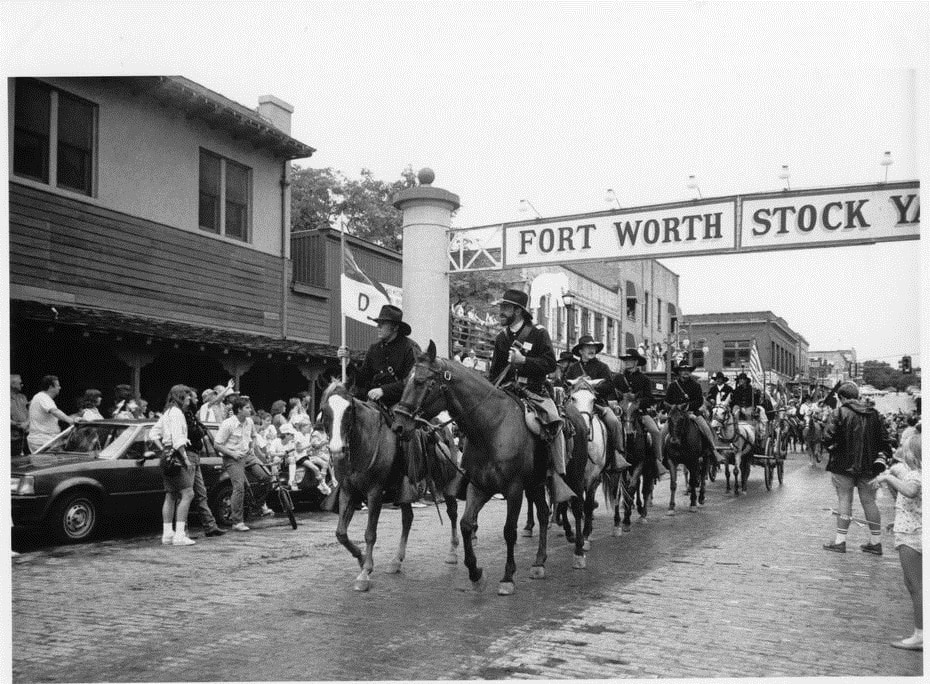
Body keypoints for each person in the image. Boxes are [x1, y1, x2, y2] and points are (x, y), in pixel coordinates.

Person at [487, 288, 571, 503]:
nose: (501, 311)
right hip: (507, 392)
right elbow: (494, 372)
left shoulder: (538, 333)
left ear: (518, 310)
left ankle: (558, 475)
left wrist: (524, 362)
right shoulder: (501, 338)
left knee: (554, 424)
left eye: (505, 308)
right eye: (501, 307)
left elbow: (551, 364)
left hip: (534, 392)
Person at [337, 303, 421, 503]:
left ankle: (406, 483)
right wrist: (348, 365)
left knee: (404, 434)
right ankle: (346, 481)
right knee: (348, 426)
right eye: (378, 324)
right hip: (373, 403)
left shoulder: (410, 349)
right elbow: (363, 379)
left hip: (401, 404)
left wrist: (384, 390)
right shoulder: (374, 349)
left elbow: (412, 383)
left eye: (382, 324)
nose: (378, 327)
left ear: (395, 328)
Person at [822, 381, 892, 554]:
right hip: (869, 466)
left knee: (844, 499)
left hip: (842, 465)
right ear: (857, 396)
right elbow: (885, 441)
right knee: (869, 501)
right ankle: (875, 542)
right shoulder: (874, 414)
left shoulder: (838, 413)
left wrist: (835, 449)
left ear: (842, 398)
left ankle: (840, 541)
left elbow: (827, 438)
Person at [871, 431, 922, 650]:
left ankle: (920, 634)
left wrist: (888, 477)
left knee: (915, 586)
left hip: (911, 537)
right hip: (911, 528)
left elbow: (910, 492)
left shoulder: (914, 475)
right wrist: (897, 520)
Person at [148, 385, 197, 546]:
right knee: (188, 493)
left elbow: (153, 433)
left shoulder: (167, 412)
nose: (190, 398)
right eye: (187, 396)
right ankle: (180, 535)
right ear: (180, 396)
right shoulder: (177, 414)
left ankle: (168, 534)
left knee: (171, 494)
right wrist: (186, 458)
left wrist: (164, 449)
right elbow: (178, 440)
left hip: (166, 455)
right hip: (177, 455)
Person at [214, 397, 271, 531]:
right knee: (239, 487)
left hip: (247, 455)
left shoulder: (249, 421)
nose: (250, 410)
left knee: (266, 478)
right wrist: (232, 454)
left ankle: (257, 505)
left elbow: (253, 436)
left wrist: (252, 447)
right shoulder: (228, 424)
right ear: (239, 410)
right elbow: (217, 444)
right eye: (247, 408)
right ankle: (237, 521)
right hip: (232, 458)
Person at [662, 363, 725, 464]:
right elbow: (666, 401)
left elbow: (699, 401)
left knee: (706, 428)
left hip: (692, 413)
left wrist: (687, 406)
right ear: (679, 372)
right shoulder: (672, 386)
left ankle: (714, 451)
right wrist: (672, 406)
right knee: (663, 432)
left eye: (688, 370)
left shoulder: (696, 385)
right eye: (683, 370)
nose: (685, 372)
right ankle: (661, 457)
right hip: (676, 415)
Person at [181, 389, 224, 537]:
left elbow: (202, 429)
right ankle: (182, 530)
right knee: (186, 493)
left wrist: (199, 429)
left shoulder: (192, 414)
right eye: (194, 398)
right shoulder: (183, 415)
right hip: (188, 454)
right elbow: (195, 432)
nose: (197, 400)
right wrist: (199, 430)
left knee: (201, 492)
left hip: (195, 455)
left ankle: (210, 526)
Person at [612, 348, 662, 474]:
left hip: (639, 413)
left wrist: (639, 403)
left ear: (636, 362)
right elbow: (612, 395)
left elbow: (650, 398)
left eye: (630, 360)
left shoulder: (644, 379)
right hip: (621, 413)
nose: (627, 362)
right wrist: (618, 402)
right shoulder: (618, 378)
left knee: (655, 432)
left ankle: (658, 461)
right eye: (626, 360)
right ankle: (610, 459)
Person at [27, 375, 76, 453]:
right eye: (58, 385)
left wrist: (75, 417)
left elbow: (54, 416)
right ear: (50, 387)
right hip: (43, 440)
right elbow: (55, 412)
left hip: (43, 439)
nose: (60, 388)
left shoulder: (41, 397)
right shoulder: (43, 397)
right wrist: (71, 421)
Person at [11, 374, 30, 457]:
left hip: (25, 437)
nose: (22, 385)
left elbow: (30, 413)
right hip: (12, 439)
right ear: (12, 384)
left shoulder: (23, 397)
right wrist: (17, 425)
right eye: (20, 383)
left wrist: (27, 422)